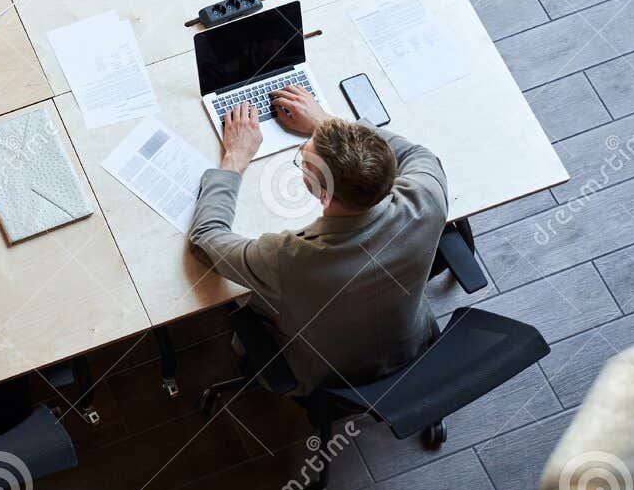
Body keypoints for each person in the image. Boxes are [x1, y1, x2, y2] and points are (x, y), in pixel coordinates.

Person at [187, 85, 447, 393]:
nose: (301, 150)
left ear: (322, 193)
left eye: (304, 158)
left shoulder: (289, 258)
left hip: (330, 377)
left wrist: (234, 158)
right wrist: (325, 122)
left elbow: (205, 239)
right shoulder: (428, 196)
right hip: (413, 345)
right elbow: (416, 154)